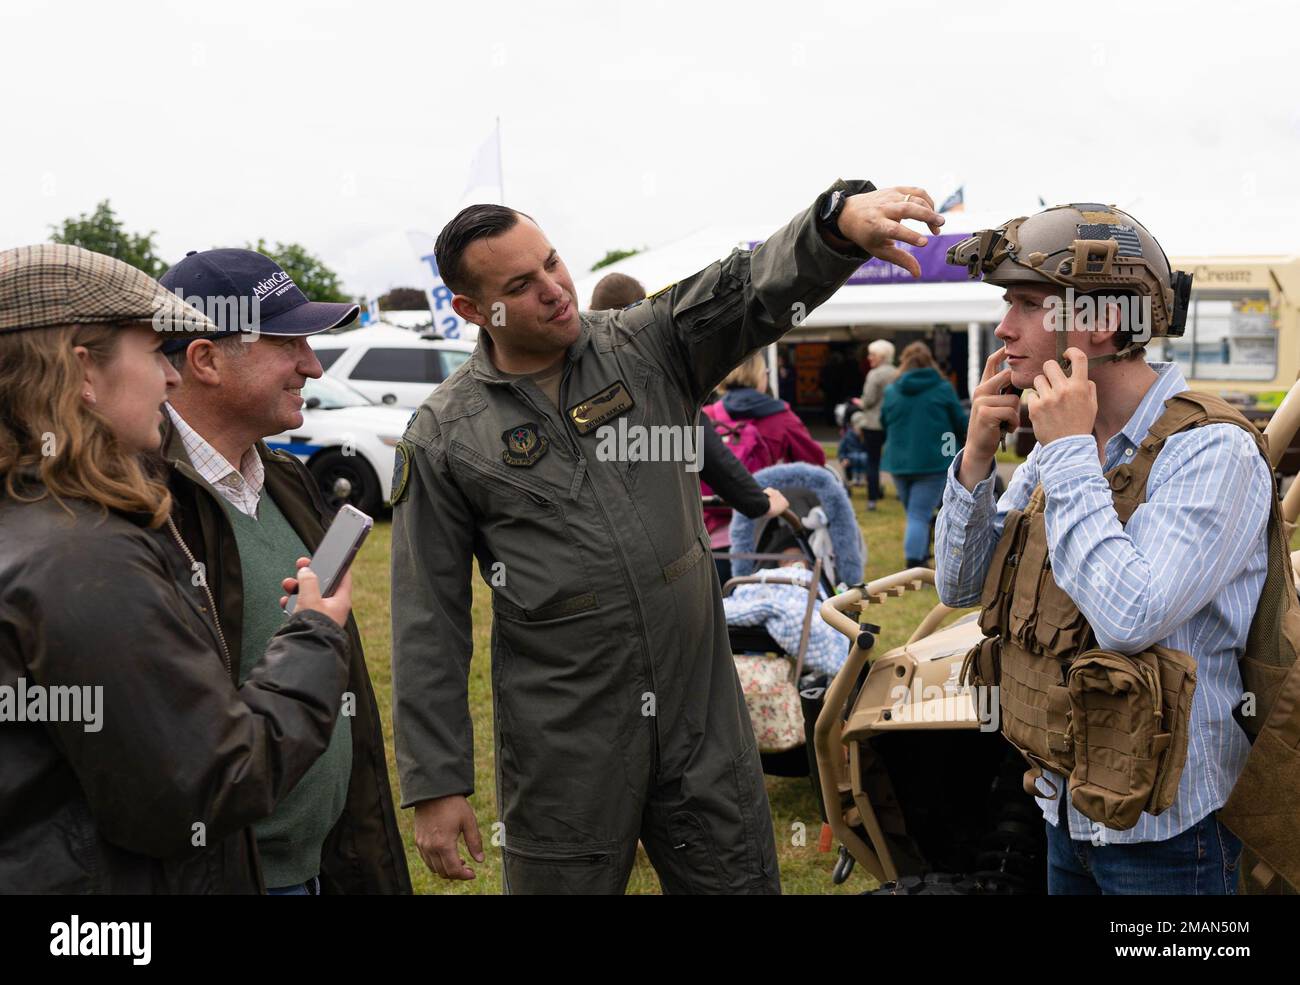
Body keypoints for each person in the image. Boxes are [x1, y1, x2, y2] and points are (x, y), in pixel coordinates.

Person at [390, 181, 944, 893]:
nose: (555, 290)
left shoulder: (644, 344)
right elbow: (426, 619)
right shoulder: (446, 436)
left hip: (700, 718)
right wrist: (436, 782)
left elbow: (744, 289)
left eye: (553, 262)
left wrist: (832, 228)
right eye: (520, 286)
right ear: (471, 309)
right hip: (564, 740)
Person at [936, 204, 1271, 894]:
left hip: (1170, 836)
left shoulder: (1212, 450)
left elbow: (1129, 617)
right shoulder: (1060, 445)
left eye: (1028, 303)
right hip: (1066, 806)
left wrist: (1066, 453)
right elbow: (959, 585)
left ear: (1102, 319)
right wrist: (976, 459)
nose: (1004, 327)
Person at [0, 244, 355, 893]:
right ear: (82, 371)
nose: (169, 378)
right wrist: (314, 634)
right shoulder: (81, 552)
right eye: (153, 352)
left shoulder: (45, 519)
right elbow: (204, 784)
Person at [156, 248, 411, 895]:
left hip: (321, 863)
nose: (313, 364)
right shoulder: (141, 508)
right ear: (205, 360)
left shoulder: (286, 478)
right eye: (287, 342)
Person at [590, 273, 790, 584]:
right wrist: (759, 502)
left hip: (592, 540)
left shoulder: (573, 367)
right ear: (640, 310)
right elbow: (698, 441)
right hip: (651, 540)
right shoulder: (646, 364)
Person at [702, 351, 826, 554]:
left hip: (707, 529)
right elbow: (814, 462)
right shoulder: (781, 417)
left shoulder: (706, 415)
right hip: (762, 527)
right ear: (760, 375)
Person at [880, 341, 966, 567]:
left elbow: (883, 421)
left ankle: (921, 553)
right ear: (930, 362)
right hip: (934, 460)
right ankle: (914, 563)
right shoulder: (943, 388)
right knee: (919, 514)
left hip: (899, 462)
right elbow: (960, 421)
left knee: (915, 513)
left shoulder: (891, 391)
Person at [849, 338, 898, 509]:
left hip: (873, 424)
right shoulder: (897, 373)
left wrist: (859, 403)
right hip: (892, 423)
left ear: (882, 356)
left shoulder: (874, 375)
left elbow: (868, 401)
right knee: (895, 458)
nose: (869, 358)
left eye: (872, 355)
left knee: (873, 461)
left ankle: (872, 498)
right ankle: (900, 492)